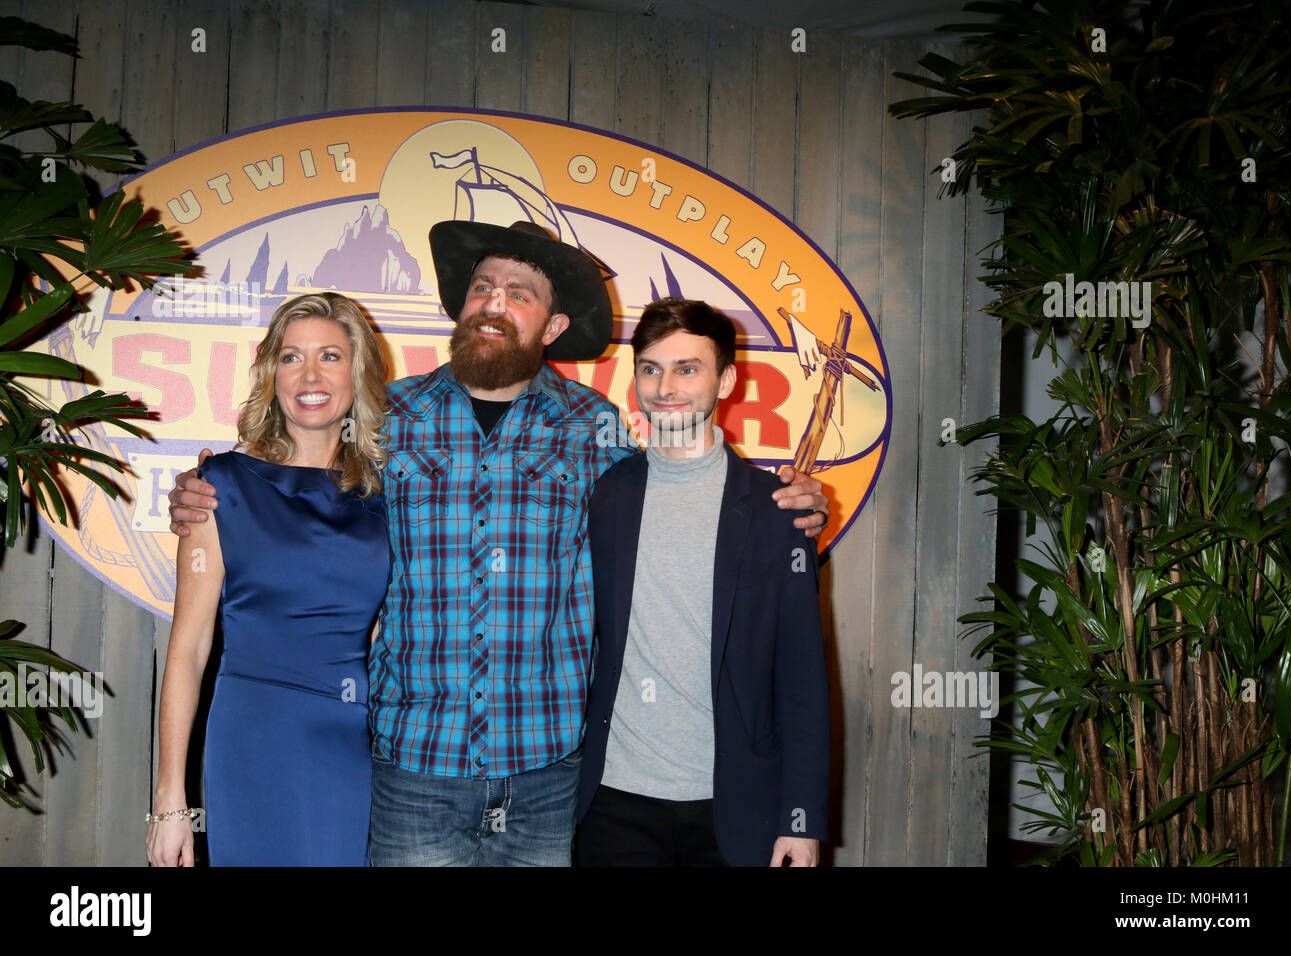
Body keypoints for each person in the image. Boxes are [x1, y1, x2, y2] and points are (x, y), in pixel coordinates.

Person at [169, 220, 830, 866]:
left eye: (520, 293)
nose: (494, 303)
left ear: (553, 326)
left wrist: (786, 505)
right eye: (484, 286)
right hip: (412, 770)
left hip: (546, 776)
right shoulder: (385, 420)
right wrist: (207, 491)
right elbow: (294, 489)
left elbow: (681, 495)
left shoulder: (593, 428)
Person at [574, 297, 830, 867]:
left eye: (687, 368)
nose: (666, 387)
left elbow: (802, 678)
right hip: (614, 801)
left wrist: (802, 818)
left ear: (727, 379)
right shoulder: (606, 492)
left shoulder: (778, 509)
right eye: (651, 368)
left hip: (734, 806)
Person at [146, 293, 390, 867]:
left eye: (330, 355)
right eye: (291, 357)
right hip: (250, 735)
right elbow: (188, 647)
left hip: (356, 743)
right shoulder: (219, 484)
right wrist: (170, 802)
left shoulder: (387, 494)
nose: (310, 375)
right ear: (270, 374)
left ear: (356, 374)